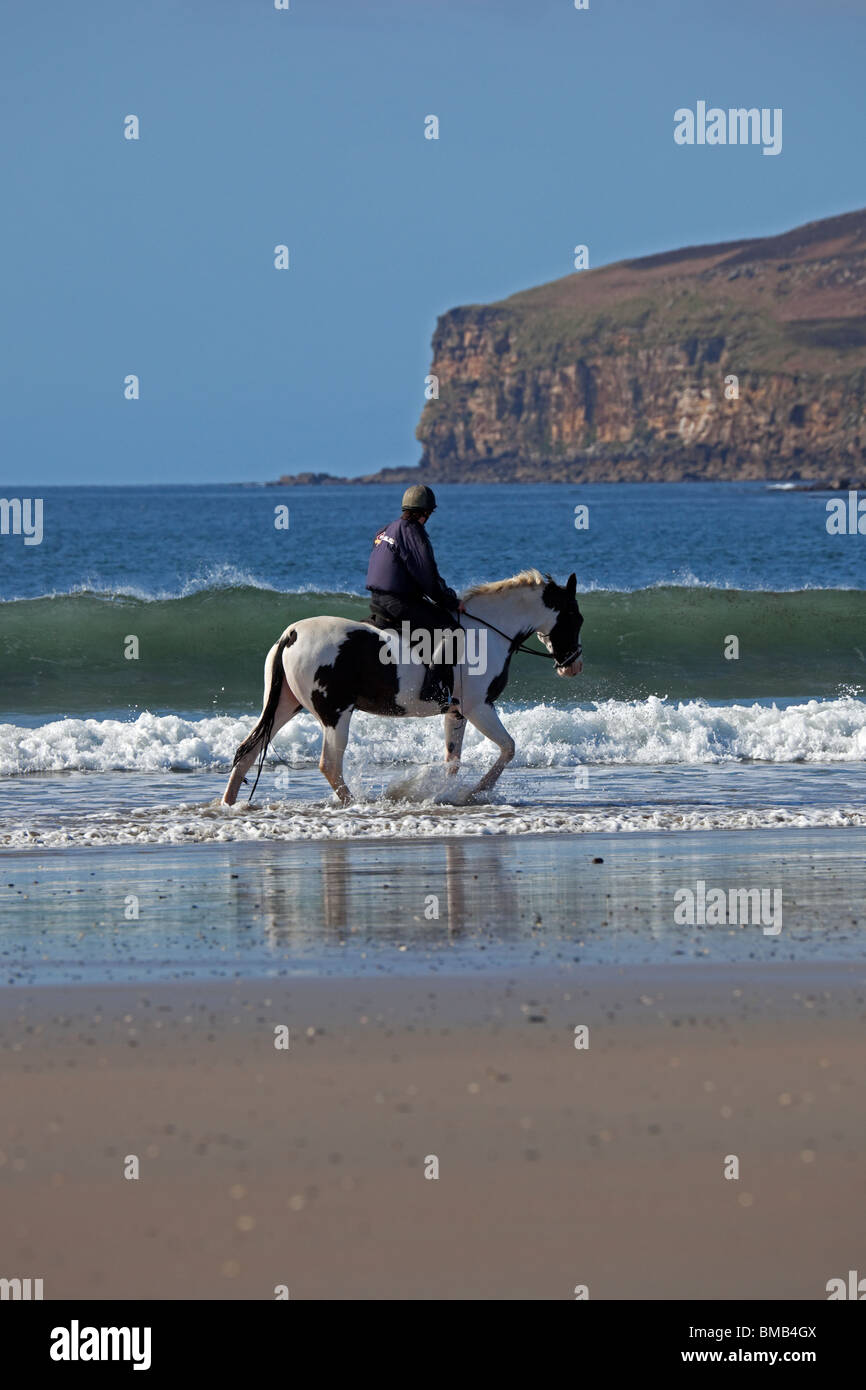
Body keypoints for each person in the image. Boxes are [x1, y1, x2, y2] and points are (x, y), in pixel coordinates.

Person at [366, 484, 464, 714]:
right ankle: (433, 689)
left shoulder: (385, 530)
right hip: (398, 602)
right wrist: (450, 601)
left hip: (376, 599)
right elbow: (428, 577)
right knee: (452, 631)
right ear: (426, 512)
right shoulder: (413, 532)